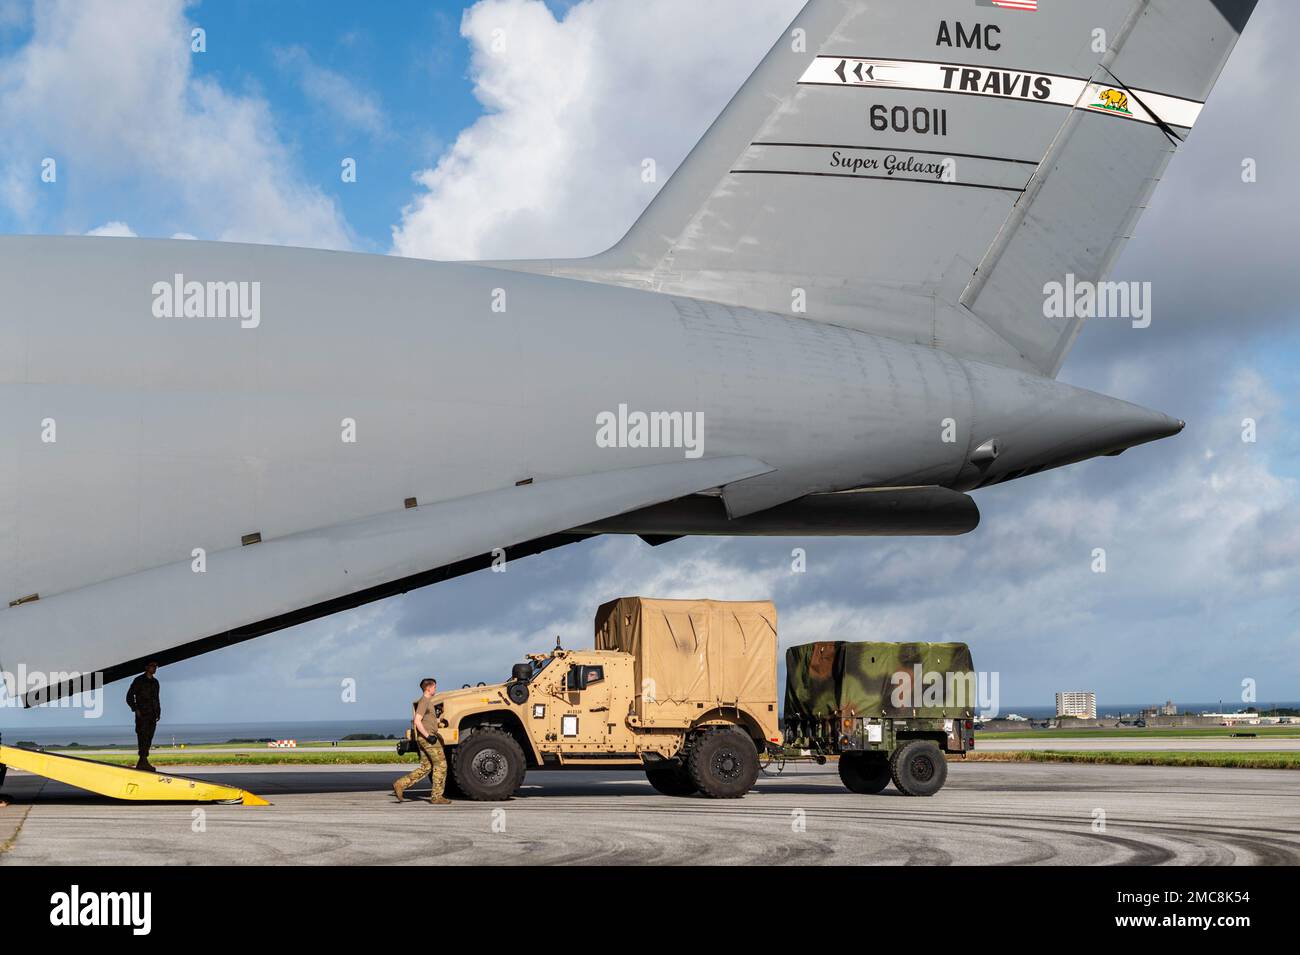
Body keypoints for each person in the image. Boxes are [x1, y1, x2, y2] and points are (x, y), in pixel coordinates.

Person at [393, 678, 451, 805]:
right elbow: (417, 721)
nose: (436, 689)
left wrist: (439, 721)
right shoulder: (424, 701)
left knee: (427, 767)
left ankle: (400, 784)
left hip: (425, 738)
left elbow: (426, 720)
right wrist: (428, 736)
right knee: (441, 765)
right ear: (428, 688)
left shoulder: (427, 702)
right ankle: (437, 796)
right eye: (435, 687)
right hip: (428, 739)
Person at [125, 662, 162, 772]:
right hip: (142, 715)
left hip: (152, 715)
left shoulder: (155, 682)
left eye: (156, 666)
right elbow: (129, 696)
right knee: (142, 736)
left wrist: (158, 712)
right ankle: (143, 760)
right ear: (146, 667)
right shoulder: (139, 680)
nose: (154, 668)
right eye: (152, 666)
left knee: (149, 737)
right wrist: (135, 709)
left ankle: (143, 760)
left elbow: (156, 698)